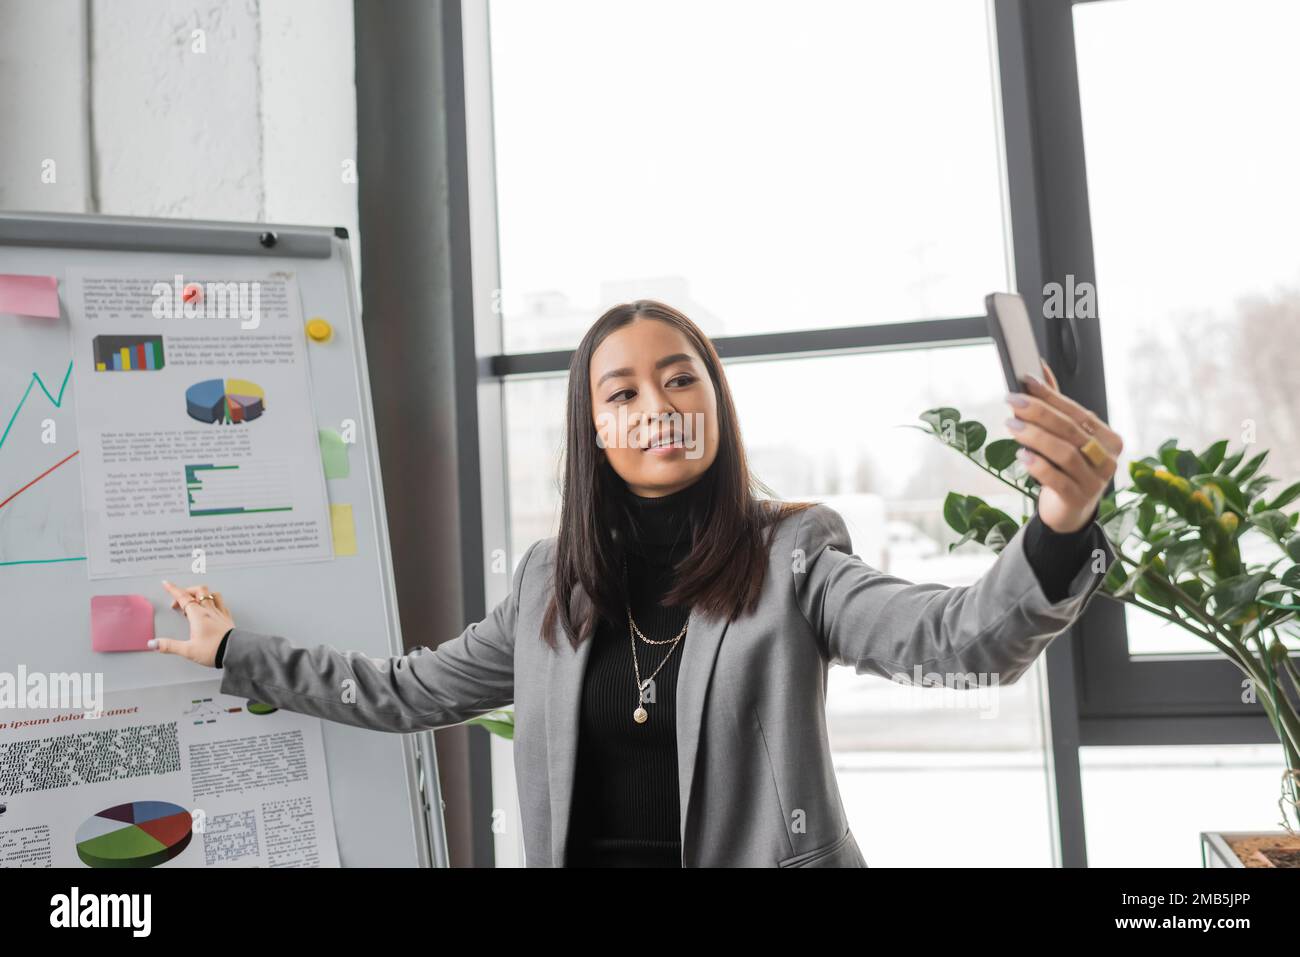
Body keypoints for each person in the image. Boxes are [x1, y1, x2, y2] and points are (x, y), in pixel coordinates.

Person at [153, 299, 1121, 867]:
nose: (655, 406)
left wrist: (1060, 523)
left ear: (715, 400)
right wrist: (238, 653)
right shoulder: (547, 588)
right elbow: (408, 691)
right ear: (595, 430)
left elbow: (959, 640)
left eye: (680, 378)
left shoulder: (793, 555)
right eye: (621, 392)